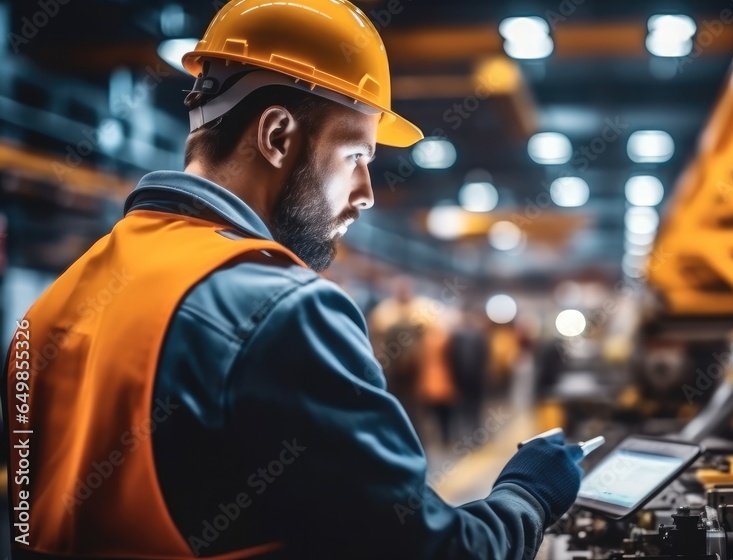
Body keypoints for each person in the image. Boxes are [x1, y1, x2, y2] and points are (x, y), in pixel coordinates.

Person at [2, 1, 583, 558]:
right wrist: (527, 496)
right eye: (356, 156)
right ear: (277, 135)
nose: (366, 195)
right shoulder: (282, 310)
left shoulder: (56, 304)